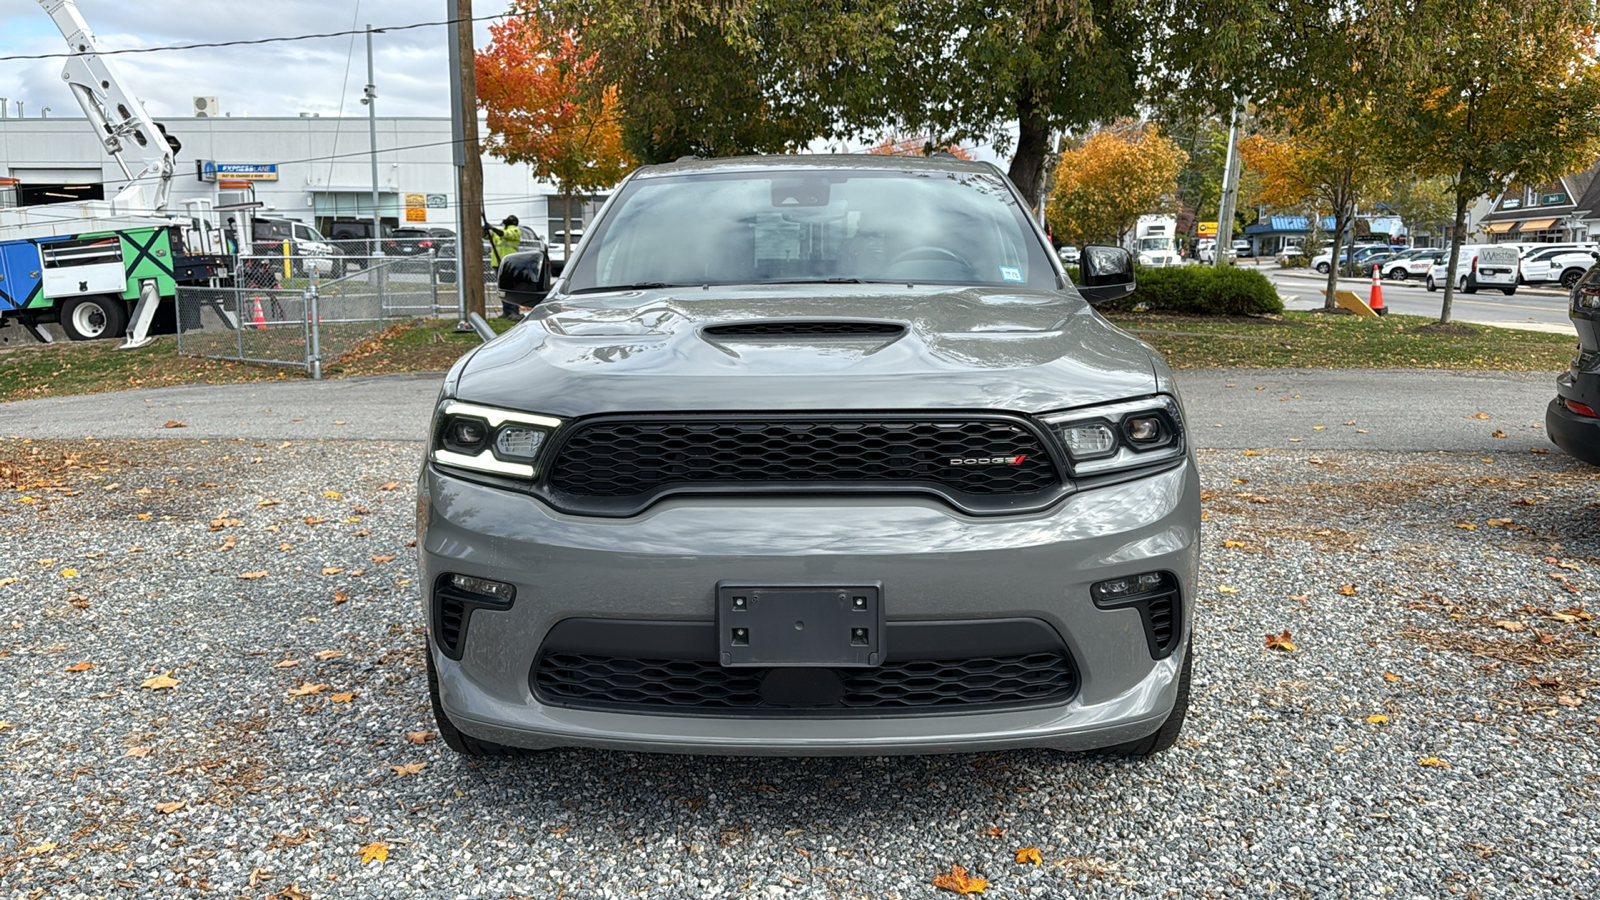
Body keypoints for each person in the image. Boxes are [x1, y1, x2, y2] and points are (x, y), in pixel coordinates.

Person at [486, 214, 523, 319]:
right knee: (502, 289)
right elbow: (486, 235)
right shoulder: (498, 232)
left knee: (511, 288)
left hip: (510, 264)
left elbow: (505, 234)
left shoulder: (515, 231)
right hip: (498, 264)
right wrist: (485, 229)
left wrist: (492, 228)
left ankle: (514, 312)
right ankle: (506, 311)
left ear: (514, 222)